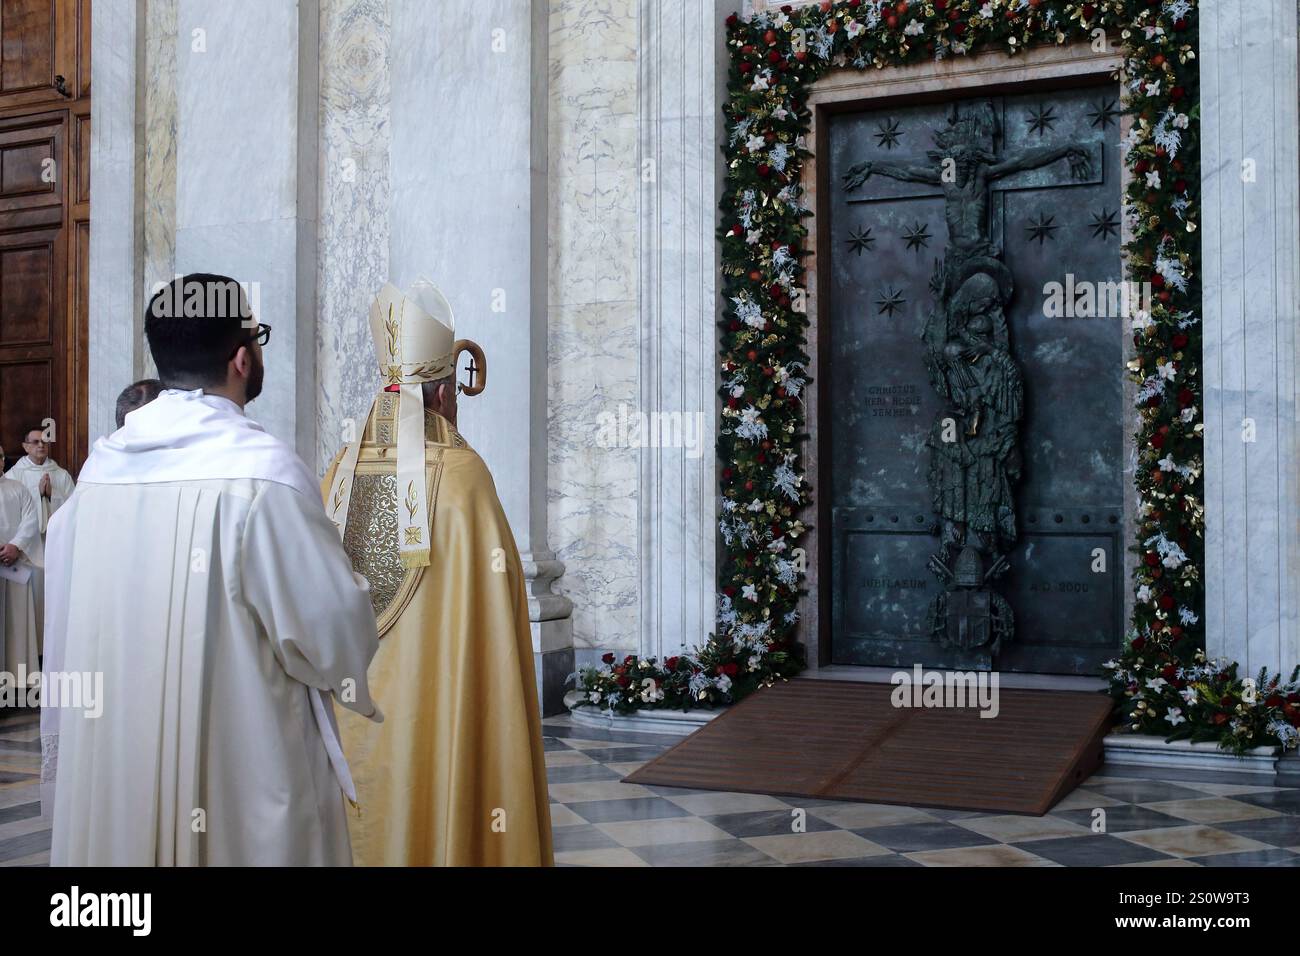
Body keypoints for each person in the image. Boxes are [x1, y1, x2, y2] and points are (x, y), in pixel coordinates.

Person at [42, 273, 382, 865]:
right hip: (243, 777)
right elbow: (335, 636)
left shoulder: (96, 478)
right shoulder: (262, 476)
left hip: (115, 771)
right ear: (244, 358)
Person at [325, 280, 552, 866]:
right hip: (438, 721)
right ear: (446, 394)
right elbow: (492, 628)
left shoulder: (338, 474)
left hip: (353, 714)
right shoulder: (461, 476)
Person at [6, 427, 75, 648]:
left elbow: (74, 509)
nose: (40, 445)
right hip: (26, 550)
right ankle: (29, 649)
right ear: (25, 446)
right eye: (35, 442)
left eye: (44, 441)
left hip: (54, 547)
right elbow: (11, 510)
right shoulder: (13, 475)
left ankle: (51, 648)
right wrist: (37, 494)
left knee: (52, 599)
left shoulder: (60, 474)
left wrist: (50, 495)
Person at [0, 445, 41, 674]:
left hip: (13, 566)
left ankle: (17, 680)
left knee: (17, 624)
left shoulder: (18, 489)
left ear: (3, 460)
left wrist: (15, 545)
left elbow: (31, 520)